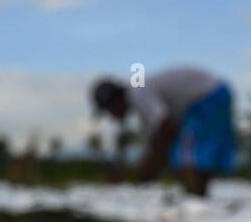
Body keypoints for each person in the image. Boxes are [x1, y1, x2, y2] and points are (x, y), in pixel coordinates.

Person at [91, 67, 236, 196]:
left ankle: (195, 203)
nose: (111, 116)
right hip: (216, 92)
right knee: (193, 155)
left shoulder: (138, 93)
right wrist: (147, 169)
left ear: (115, 100)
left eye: (109, 110)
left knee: (186, 156)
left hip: (206, 97)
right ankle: (199, 198)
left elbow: (165, 128)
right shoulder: (141, 100)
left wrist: (145, 172)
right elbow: (158, 140)